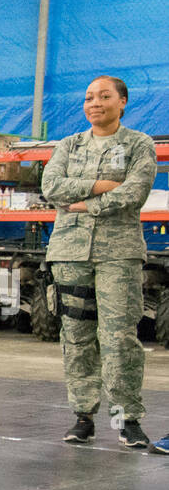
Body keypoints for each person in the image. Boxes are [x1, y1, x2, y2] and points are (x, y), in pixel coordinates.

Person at [40, 75, 157, 449]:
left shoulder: (139, 144)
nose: (95, 103)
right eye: (89, 97)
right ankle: (83, 417)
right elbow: (50, 186)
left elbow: (135, 192)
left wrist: (84, 204)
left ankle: (126, 420)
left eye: (104, 96)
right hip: (70, 252)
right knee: (76, 337)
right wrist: (101, 185)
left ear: (122, 102)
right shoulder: (69, 145)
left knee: (119, 338)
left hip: (117, 254)